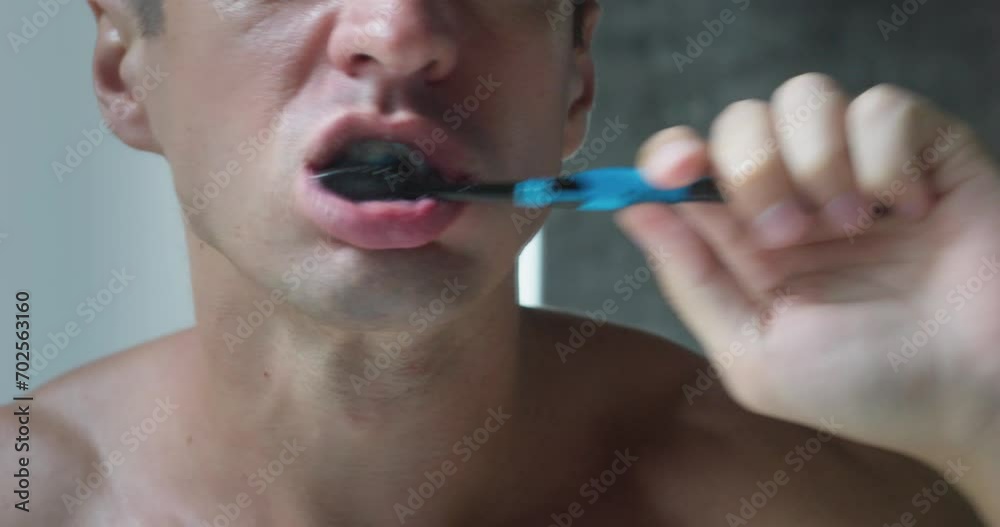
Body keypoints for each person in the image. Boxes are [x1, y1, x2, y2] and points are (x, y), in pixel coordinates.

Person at [5, 0, 998, 525]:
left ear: (577, 81)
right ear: (122, 65)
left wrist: (984, 410)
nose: (399, 28)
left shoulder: (811, 498)